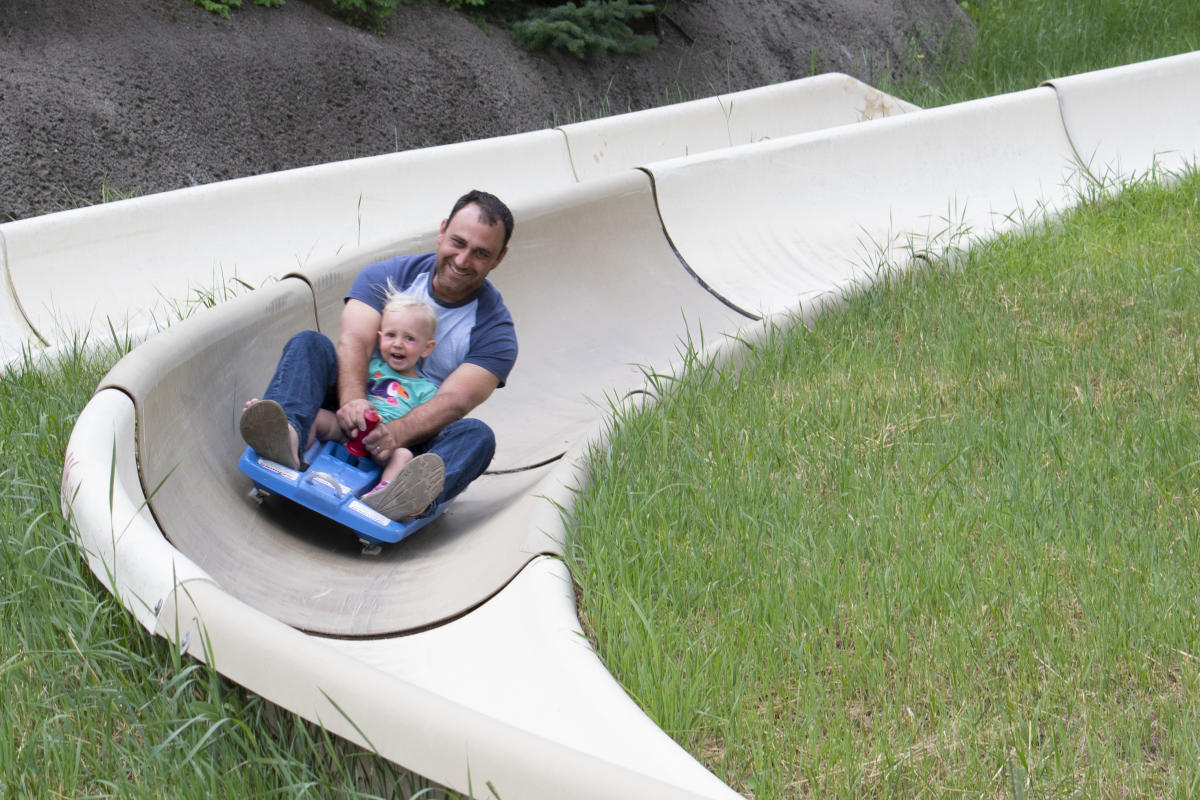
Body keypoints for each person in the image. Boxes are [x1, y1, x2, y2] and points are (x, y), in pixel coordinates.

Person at [240, 189, 517, 522]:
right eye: (458, 243)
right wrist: (354, 403)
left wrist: (395, 434)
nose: (462, 260)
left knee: (477, 436)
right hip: (354, 402)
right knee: (310, 343)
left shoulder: (496, 332)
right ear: (442, 230)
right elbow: (355, 341)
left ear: (499, 258)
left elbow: (454, 401)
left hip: (414, 440)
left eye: (480, 253)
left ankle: (406, 495)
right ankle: (287, 436)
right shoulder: (387, 277)